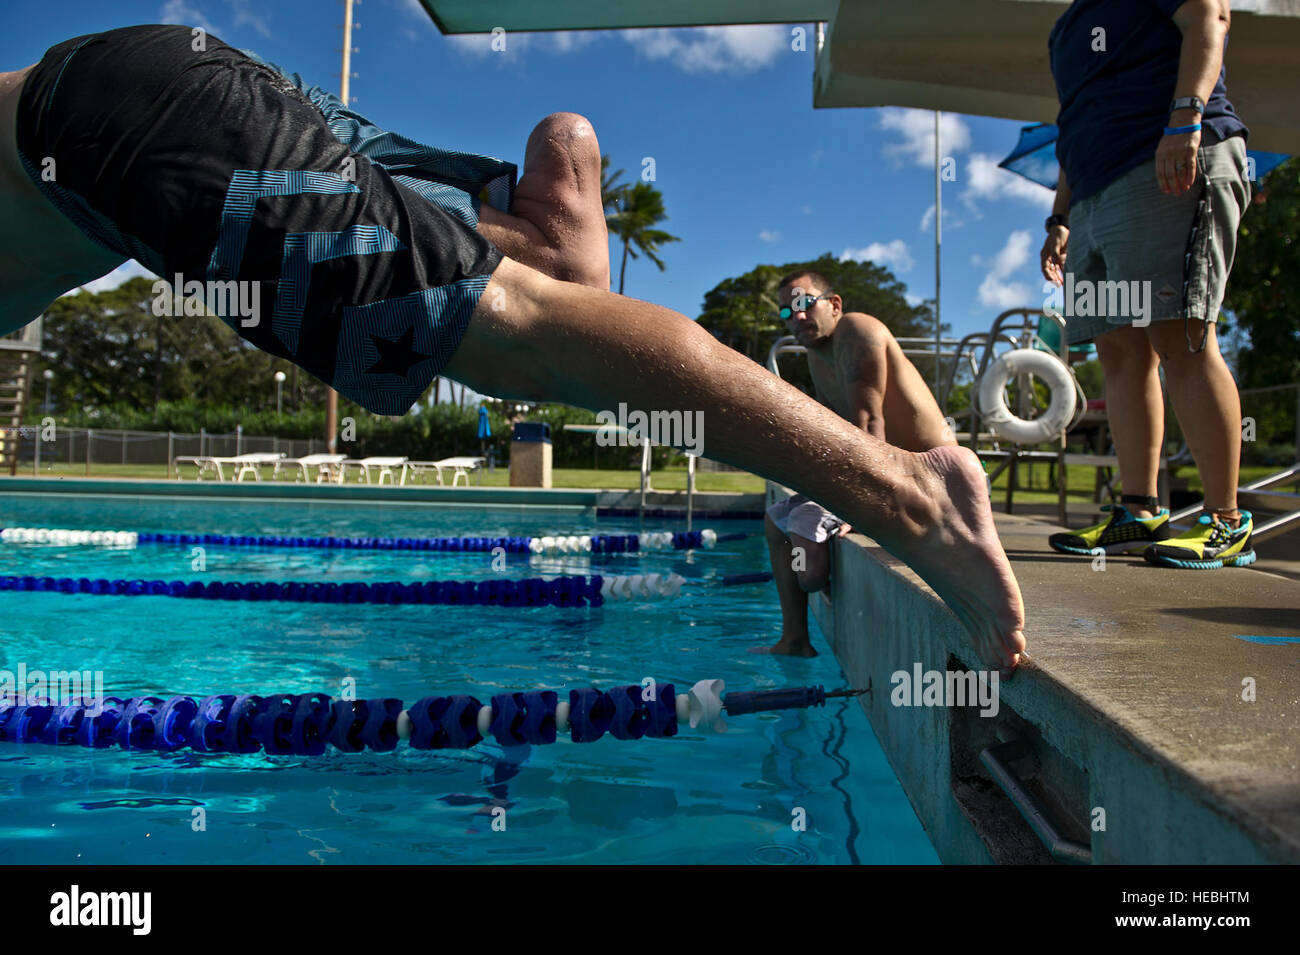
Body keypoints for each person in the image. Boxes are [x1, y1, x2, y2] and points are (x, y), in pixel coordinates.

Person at [0, 25, 1026, 673]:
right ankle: (539, 215)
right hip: (165, 89)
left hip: (118, 132)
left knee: (520, 337)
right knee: (550, 283)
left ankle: (908, 493)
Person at [1041, 0, 1254, 569]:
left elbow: (1210, 16)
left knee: (1180, 335)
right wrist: (1060, 217)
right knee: (1117, 349)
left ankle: (1225, 521)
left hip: (1167, 159)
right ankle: (1138, 511)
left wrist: (1184, 119)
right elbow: (1074, 118)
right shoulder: (1066, 28)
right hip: (1091, 196)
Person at [756, 270, 957, 656]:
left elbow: (868, 422)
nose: (795, 318)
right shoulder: (818, 358)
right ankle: (794, 639)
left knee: (811, 573)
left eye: (803, 304)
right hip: (896, 471)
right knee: (775, 519)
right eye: (785, 312)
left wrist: (863, 504)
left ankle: (811, 601)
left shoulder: (855, 331)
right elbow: (838, 438)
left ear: (834, 304)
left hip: (935, 476)